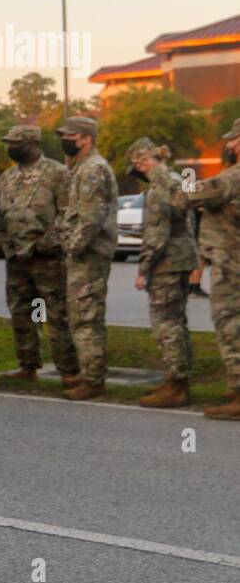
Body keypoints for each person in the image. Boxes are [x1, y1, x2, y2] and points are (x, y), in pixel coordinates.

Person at [134, 116, 240, 420]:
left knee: (231, 327)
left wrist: (158, 172)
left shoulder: (232, 178)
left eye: (234, 139)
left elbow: (185, 195)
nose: (230, 145)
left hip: (231, 264)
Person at [0, 125, 78, 385]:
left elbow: (67, 214)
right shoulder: (6, 177)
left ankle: (69, 370)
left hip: (47, 259)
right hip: (15, 258)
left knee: (58, 314)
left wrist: (45, 244)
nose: (11, 148)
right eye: (9, 143)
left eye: (16, 144)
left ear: (33, 144)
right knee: (22, 312)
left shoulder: (57, 173)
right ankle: (28, 365)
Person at [125, 138, 197, 408]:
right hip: (183, 258)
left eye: (137, 165)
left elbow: (157, 234)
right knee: (178, 322)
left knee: (166, 324)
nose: (138, 170)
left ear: (143, 162)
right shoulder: (177, 179)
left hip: (166, 262)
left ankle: (175, 386)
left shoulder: (159, 188)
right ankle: (178, 379)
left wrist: (144, 269)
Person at [55, 116, 118, 401]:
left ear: (86, 139)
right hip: (84, 253)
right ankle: (89, 372)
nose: (65, 141)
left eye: (70, 136)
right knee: (81, 315)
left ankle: (93, 379)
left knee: (86, 316)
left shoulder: (93, 169)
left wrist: (71, 246)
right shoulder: (82, 167)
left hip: (89, 254)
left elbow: (91, 218)